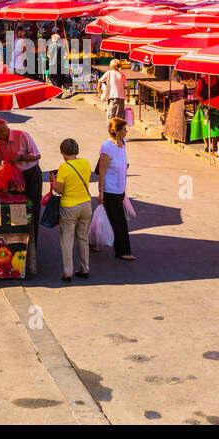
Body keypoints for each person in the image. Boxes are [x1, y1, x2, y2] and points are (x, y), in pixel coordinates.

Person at [0, 118, 42, 245]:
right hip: (14, 179)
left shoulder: (22, 135)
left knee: (33, 208)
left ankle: (33, 243)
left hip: (31, 175)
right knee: (18, 207)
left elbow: (37, 155)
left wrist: (20, 157)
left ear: (2, 130)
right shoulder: (0, 144)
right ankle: (19, 240)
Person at [49, 138, 92, 282]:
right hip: (86, 204)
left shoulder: (64, 167)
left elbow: (59, 189)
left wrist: (53, 180)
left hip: (69, 207)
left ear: (63, 152)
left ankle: (68, 272)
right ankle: (85, 269)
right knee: (83, 237)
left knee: (67, 239)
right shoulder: (85, 163)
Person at [97, 117, 134, 259]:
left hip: (120, 190)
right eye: (124, 129)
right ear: (116, 131)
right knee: (119, 222)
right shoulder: (107, 147)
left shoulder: (123, 143)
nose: (126, 132)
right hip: (109, 191)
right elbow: (102, 171)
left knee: (108, 219)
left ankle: (92, 241)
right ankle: (123, 251)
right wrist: (101, 193)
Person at [98, 59, 127, 123]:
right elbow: (127, 86)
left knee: (111, 112)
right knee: (120, 113)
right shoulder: (122, 74)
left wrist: (98, 89)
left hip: (111, 95)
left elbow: (100, 81)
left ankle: (110, 125)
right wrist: (128, 96)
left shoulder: (108, 73)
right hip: (121, 96)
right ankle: (118, 126)